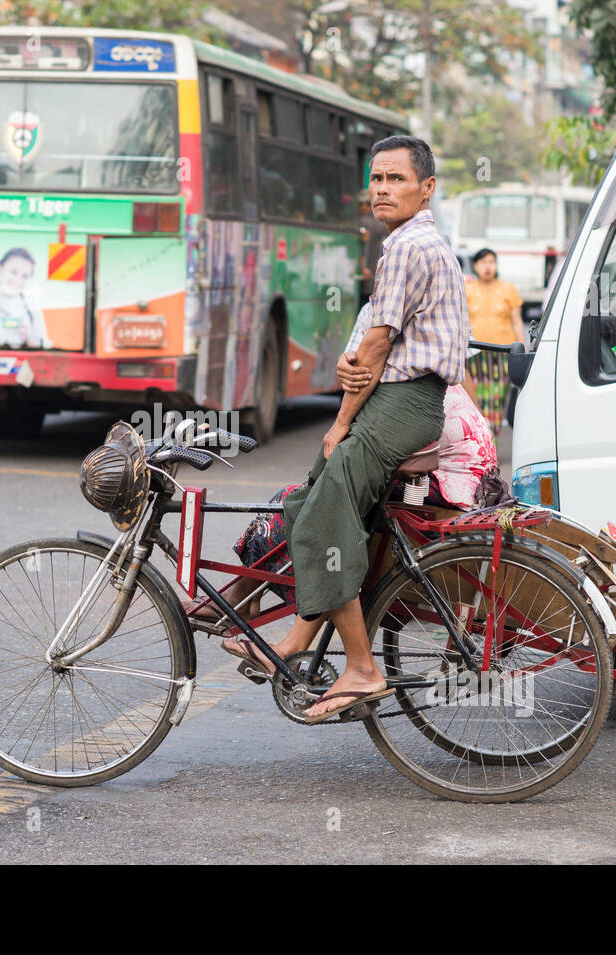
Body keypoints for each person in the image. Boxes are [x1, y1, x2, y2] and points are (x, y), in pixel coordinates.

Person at [226, 135, 468, 723]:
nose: (381, 189)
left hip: (406, 404)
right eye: (376, 179)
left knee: (326, 517)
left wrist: (338, 424)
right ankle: (297, 639)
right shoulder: (411, 243)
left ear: (427, 188)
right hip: (398, 399)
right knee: (309, 504)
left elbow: (378, 344)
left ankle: (361, 668)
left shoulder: (409, 246)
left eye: (396, 179)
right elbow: (375, 346)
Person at [206, 375, 502, 646]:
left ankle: (262, 607)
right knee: (308, 500)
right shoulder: (422, 377)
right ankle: (243, 596)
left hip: (446, 486)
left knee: (308, 509)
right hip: (464, 481)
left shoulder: (398, 388)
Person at [462, 248, 524, 442]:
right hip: (475, 352)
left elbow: (517, 321)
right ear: (475, 266)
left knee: (497, 397)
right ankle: (481, 439)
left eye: (491, 262)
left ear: (496, 265)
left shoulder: (508, 290)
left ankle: (492, 441)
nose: (487, 266)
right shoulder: (466, 290)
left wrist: (521, 345)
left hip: (502, 351)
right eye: (482, 262)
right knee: (477, 396)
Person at [357, 188, 388, 310]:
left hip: (365, 275)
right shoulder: (384, 223)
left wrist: (364, 267)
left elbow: (365, 247)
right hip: (378, 277)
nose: (359, 207)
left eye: (361, 204)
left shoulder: (363, 222)